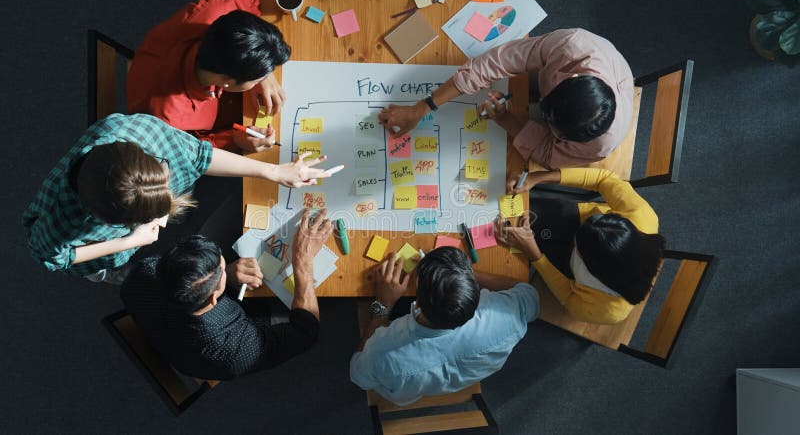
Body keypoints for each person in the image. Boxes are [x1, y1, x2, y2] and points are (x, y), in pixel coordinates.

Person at [23, 113, 329, 281]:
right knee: (128, 271)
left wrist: (274, 172)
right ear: (104, 221)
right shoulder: (62, 223)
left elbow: (200, 155)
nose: (163, 222)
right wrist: (128, 242)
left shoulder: (139, 131)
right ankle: (124, 268)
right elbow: (55, 258)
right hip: (108, 254)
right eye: (154, 217)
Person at [120, 209, 331, 380]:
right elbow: (307, 333)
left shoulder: (143, 272)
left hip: (166, 324)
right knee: (318, 299)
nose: (225, 264)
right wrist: (302, 261)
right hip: (213, 345)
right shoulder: (237, 350)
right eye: (221, 270)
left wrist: (227, 273)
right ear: (214, 299)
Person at [378, 28, 633, 169]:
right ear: (571, 76)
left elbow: (547, 154)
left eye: (560, 136)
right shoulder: (571, 45)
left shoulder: (601, 144)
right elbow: (498, 61)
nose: (553, 133)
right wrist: (422, 108)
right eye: (547, 118)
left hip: (599, 100)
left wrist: (506, 119)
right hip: (558, 70)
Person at [350, 247, 539, 406]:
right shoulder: (507, 316)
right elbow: (529, 293)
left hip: (404, 386)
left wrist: (384, 304)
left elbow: (357, 374)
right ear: (474, 294)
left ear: (417, 301)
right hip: (458, 375)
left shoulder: (382, 354)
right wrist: (463, 276)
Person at [126, 0, 290, 153]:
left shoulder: (218, 13)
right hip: (161, 114)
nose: (262, 79)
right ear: (227, 81)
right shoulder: (165, 117)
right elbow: (189, 151)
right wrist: (234, 139)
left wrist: (264, 65)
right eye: (257, 79)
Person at [495, 168, 665, 325]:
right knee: (517, 214)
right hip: (584, 232)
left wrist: (534, 254)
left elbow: (568, 296)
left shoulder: (606, 311)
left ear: (588, 267)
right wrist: (538, 177)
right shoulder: (642, 217)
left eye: (578, 247)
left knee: (504, 256)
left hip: (569, 275)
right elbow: (603, 179)